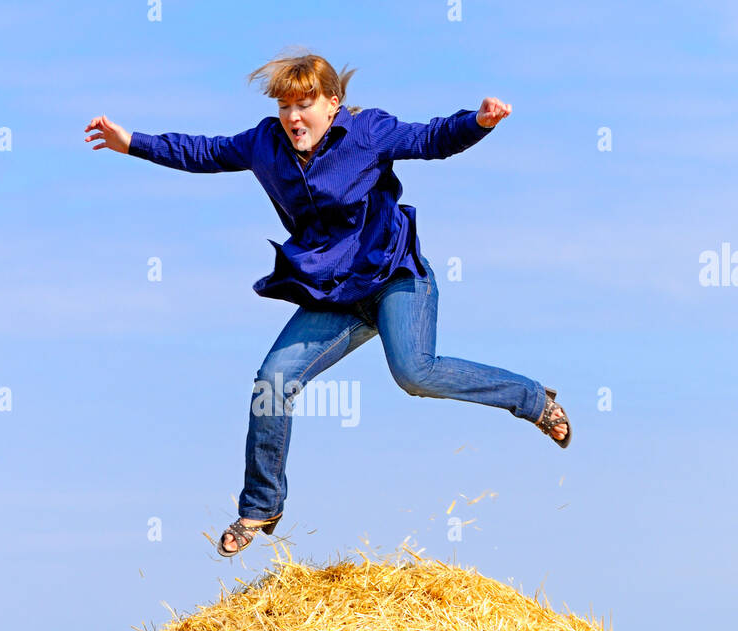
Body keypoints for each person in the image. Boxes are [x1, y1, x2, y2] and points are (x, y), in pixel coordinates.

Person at [84, 51, 570, 557]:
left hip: (395, 277)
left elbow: (430, 139)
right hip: (334, 295)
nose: (293, 118)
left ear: (333, 103)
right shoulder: (265, 144)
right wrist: (132, 143)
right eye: (285, 107)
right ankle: (262, 503)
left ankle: (533, 400)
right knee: (273, 381)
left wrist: (478, 122)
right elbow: (204, 151)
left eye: (305, 104)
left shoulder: (368, 132)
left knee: (415, 372)